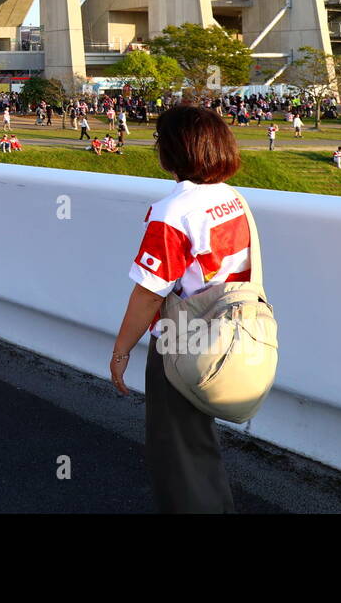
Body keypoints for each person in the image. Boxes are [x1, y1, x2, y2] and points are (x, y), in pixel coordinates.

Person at [109, 105, 251, 513]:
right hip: (225, 334)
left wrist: (121, 352)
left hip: (179, 343)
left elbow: (150, 293)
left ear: (173, 150)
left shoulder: (172, 212)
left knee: (176, 454)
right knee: (198, 447)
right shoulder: (231, 198)